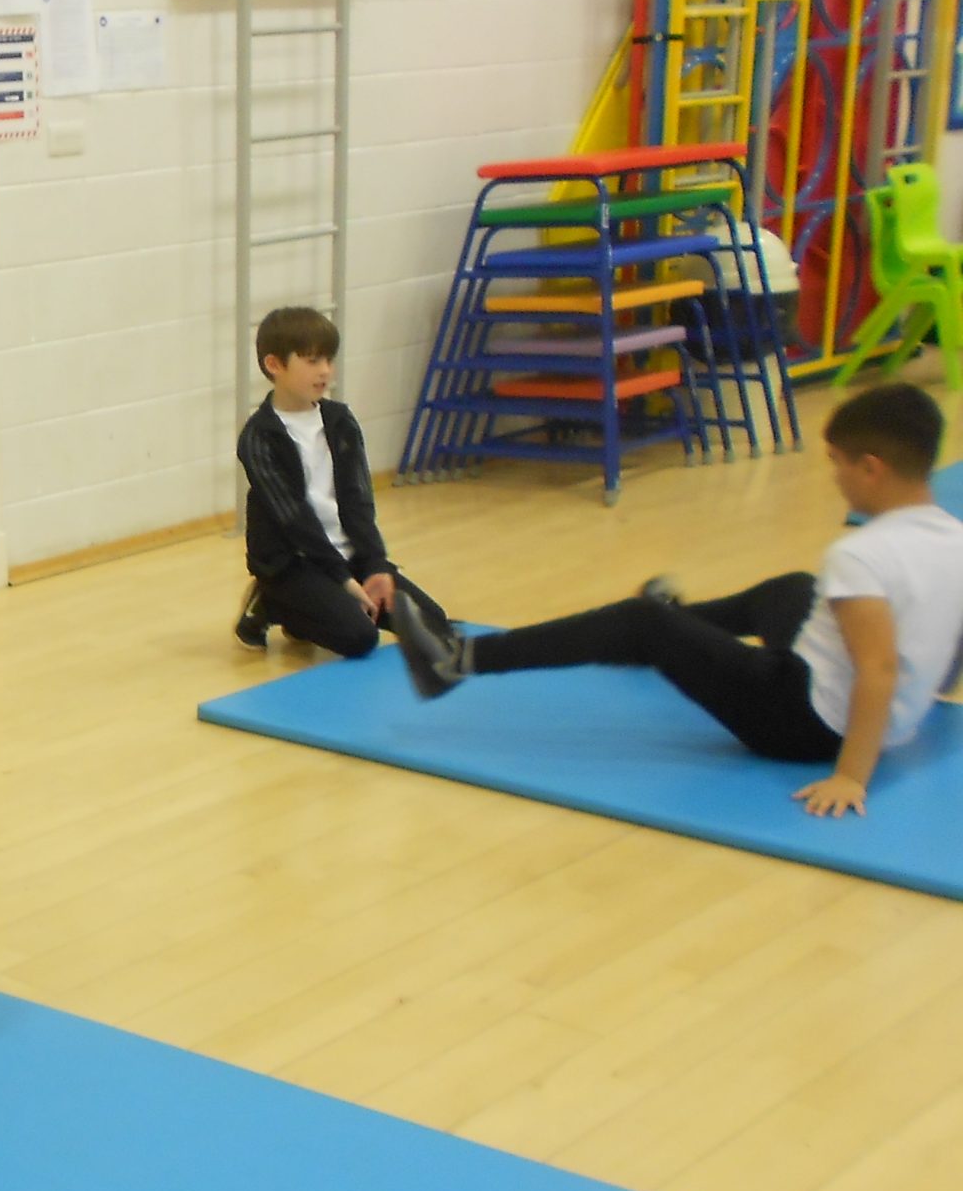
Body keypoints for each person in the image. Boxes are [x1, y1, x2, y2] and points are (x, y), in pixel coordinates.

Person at [389, 382, 963, 819]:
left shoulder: (862, 555)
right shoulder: (952, 538)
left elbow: (879, 668)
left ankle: (455, 662)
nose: (834, 476)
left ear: (871, 468)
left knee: (642, 622)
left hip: (802, 723)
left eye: (837, 462)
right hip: (863, 714)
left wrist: (851, 778)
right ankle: (672, 627)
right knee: (793, 590)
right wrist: (925, 695)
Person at [234, 305, 448, 657]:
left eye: (328, 361)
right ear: (275, 365)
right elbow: (295, 520)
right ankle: (272, 602)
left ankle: (315, 608)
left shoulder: (340, 421)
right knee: (359, 637)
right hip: (296, 561)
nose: (325, 372)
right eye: (312, 361)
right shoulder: (259, 437)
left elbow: (358, 500)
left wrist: (376, 566)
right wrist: (344, 581)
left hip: (347, 553)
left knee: (432, 622)